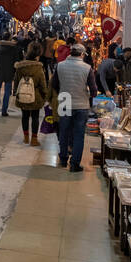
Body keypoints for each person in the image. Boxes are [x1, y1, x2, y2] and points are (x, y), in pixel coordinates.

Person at [51, 42, 94, 172]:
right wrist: (86, 93)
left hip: (64, 100)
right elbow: (94, 90)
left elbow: (54, 84)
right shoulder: (87, 68)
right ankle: (75, 163)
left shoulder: (60, 66)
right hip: (81, 103)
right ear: (82, 54)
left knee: (63, 131)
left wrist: (63, 91)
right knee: (79, 134)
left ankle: (63, 159)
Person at [13, 44, 54, 146]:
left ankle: (26, 137)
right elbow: (43, 84)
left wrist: (15, 92)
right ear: (37, 55)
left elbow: (16, 81)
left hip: (22, 95)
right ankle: (34, 140)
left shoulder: (20, 67)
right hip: (36, 96)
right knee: (35, 117)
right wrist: (46, 96)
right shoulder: (39, 68)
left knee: (25, 116)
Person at [0, 36, 23, 117]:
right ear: (9, 39)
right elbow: (16, 62)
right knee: (7, 92)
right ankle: (4, 111)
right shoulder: (13, 49)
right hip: (9, 74)